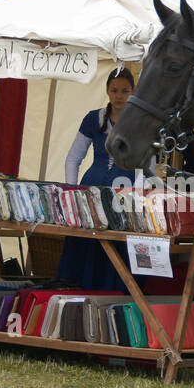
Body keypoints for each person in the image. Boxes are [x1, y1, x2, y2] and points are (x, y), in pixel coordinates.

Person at [56, 68, 145, 291]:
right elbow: (73, 159)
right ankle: (81, 289)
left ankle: (113, 290)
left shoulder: (141, 122)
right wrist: (72, 191)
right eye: (114, 90)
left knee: (118, 243)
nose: (119, 95)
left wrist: (141, 196)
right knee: (89, 239)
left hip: (126, 193)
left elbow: (147, 165)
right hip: (92, 190)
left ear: (133, 92)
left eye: (125, 91)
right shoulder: (94, 119)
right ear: (107, 90)